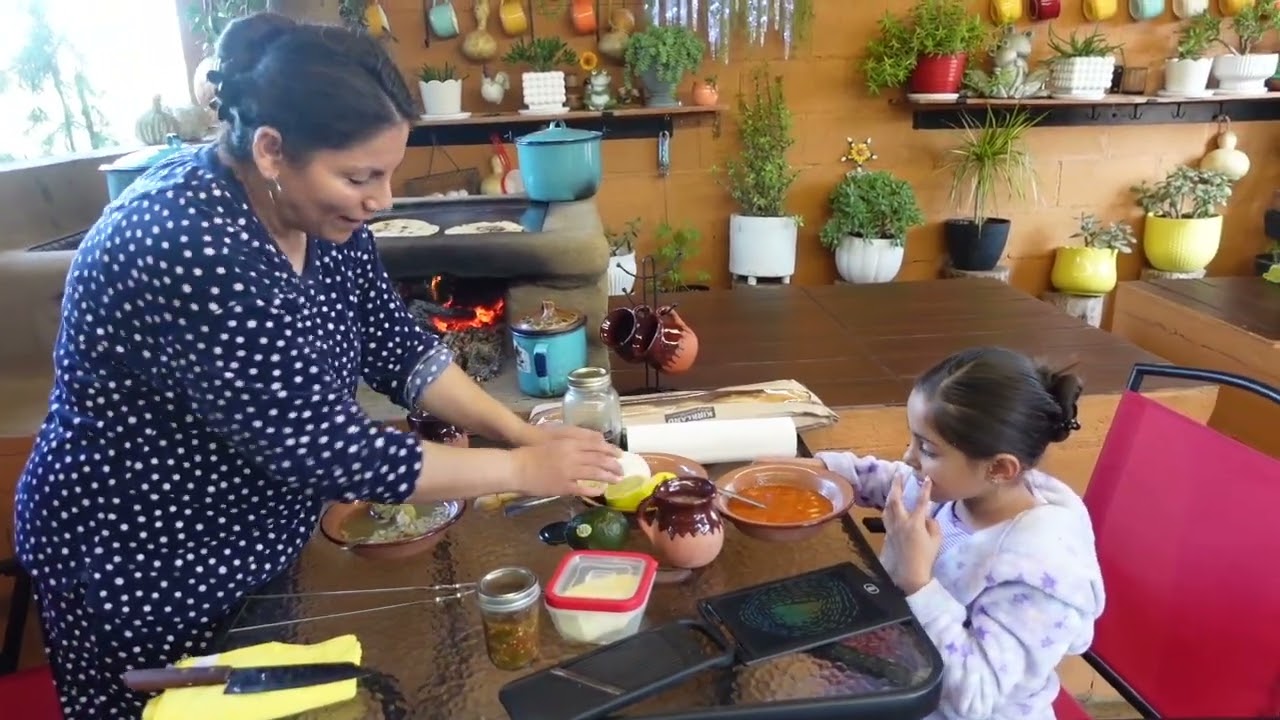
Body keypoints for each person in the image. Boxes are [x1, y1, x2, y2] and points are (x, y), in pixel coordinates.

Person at [13, 12, 620, 719]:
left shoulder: (318, 215)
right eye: (361, 175)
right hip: (143, 558)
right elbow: (329, 450)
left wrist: (518, 431)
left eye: (388, 173)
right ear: (271, 150)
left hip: (249, 540)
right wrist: (520, 470)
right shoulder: (187, 243)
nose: (382, 199)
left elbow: (399, 346)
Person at [791, 347, 1105, 719]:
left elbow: (974, 697)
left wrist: (918, 583)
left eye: (927, 449)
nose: (909, 457)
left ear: (999, 468)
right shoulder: (956, 490)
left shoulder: (1040, 577)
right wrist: (821, 471)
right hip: (896, 669)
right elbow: (895, 480)